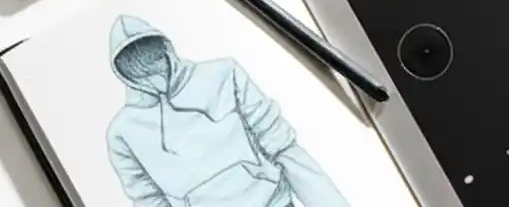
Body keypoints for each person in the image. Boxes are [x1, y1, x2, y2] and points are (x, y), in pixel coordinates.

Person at [105, 15, 349, 207]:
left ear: (165, 50)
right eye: (139, 67)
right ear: (126, 73)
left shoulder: (222, 74)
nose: (153, 71)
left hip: (272, 202)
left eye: (154, 57)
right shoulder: (123, 132)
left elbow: (281, 145)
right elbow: (149, 201)